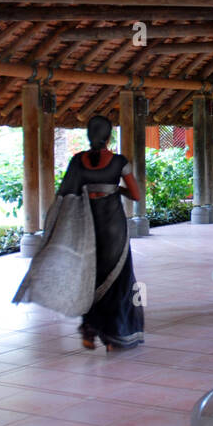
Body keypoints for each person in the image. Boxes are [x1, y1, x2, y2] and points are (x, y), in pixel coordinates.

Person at [56, 116, 145, 350]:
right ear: (109, 137)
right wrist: (115, 189)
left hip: (88, 226)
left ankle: (89, 329)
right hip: (113, 226)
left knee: (90, 278)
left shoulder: (77, 161)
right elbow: (136, 195)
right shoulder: (118, 162)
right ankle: (114, 338)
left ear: (89, 135)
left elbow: (67, 194)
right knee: (118, 281)